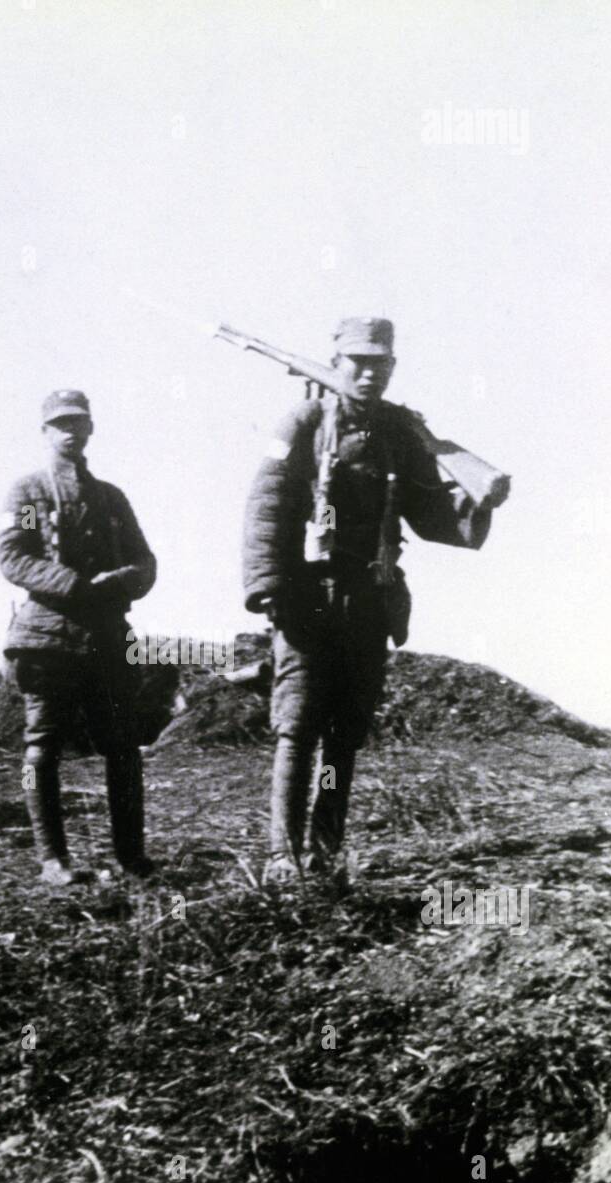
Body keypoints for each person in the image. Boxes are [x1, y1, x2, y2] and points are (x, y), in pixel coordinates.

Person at [242, 317, 493, 882]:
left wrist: (479, 501)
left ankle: (325, 849)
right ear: (335, 364)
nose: (367, 372)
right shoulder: (306, 420)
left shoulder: (399, 433)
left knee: (344, 735)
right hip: (308, 596)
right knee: (297, 726)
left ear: (392, 368)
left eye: (379, 363)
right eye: (357, 361)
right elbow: (267, 504)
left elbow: (430, 514)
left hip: (371, 599)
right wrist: (265, 587)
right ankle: (282, 855)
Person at [0, 389, 156, 886]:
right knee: (42, 747)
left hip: (107, 638)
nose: (70, 432)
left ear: (91, 429)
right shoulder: (28, 494)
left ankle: (132, 858)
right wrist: (72, 585)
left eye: (78, 423)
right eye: (60, 424)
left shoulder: (111, 498)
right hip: (47, 638)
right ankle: (52, 860)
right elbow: (14, 556)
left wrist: (121, 581)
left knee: (123, 747)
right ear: (45, 432)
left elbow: (145, 562)